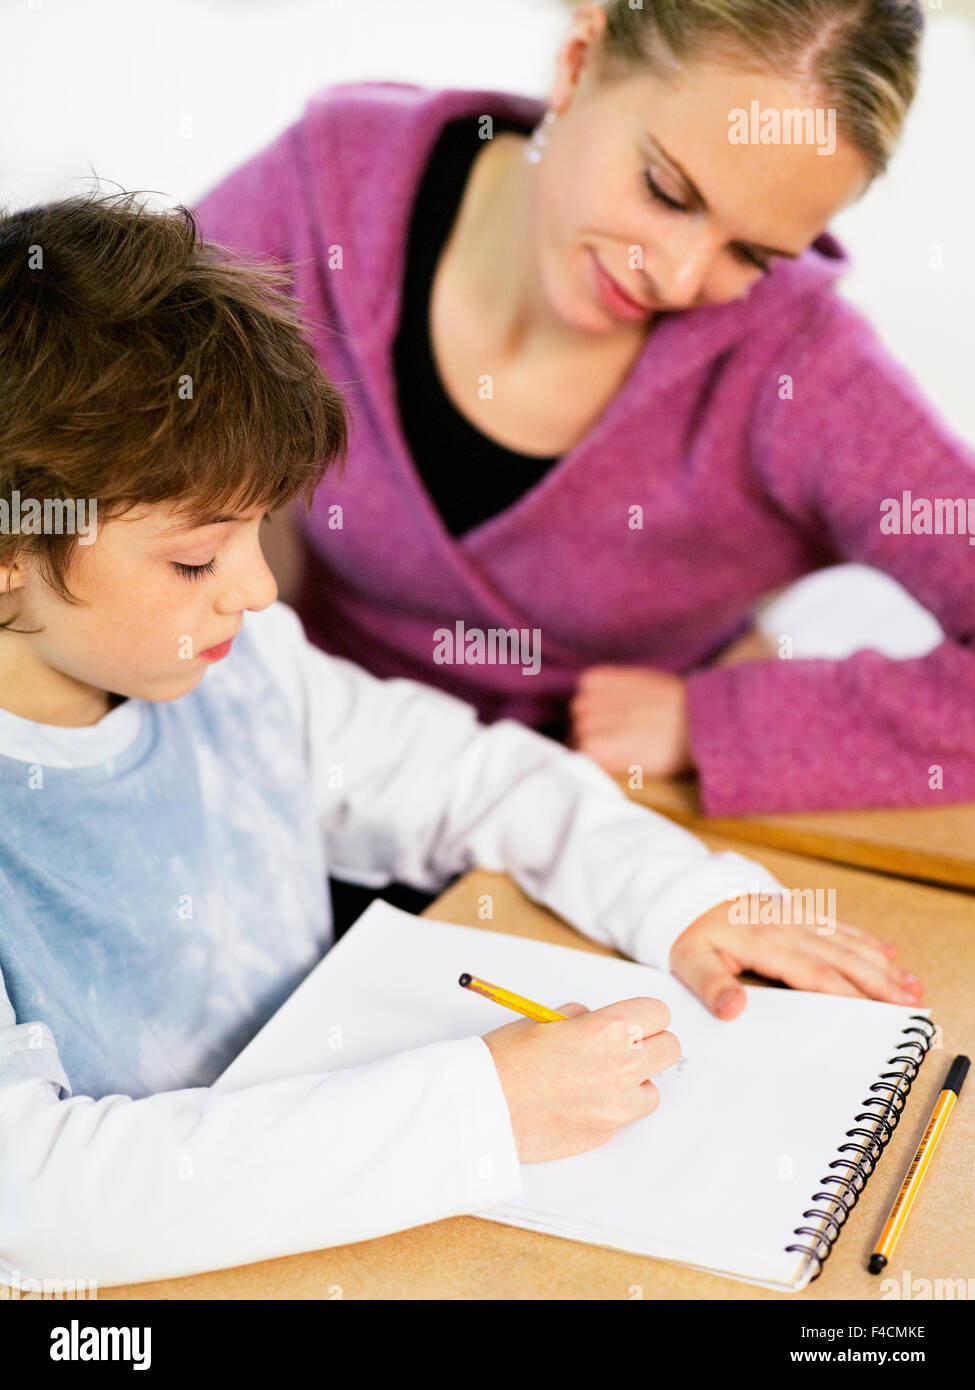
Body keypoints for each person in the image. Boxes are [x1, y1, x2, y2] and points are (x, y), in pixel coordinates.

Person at [0, 194, 922, 1287]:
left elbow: (472, 778)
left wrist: (675, 894)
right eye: (198, 560)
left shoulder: (244, 671)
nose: (254, 589)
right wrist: (479, 1107)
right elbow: (40, 1204)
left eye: (261, 531)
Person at [193, 0, 975, 818]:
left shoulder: (807, 374)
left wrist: (716, 725)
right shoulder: (328, 189)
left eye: (751, 255)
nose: (674, 279)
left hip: (592, 840)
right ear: (577, 59)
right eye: (666, 192)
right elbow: (96, 425)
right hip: (303, 782)